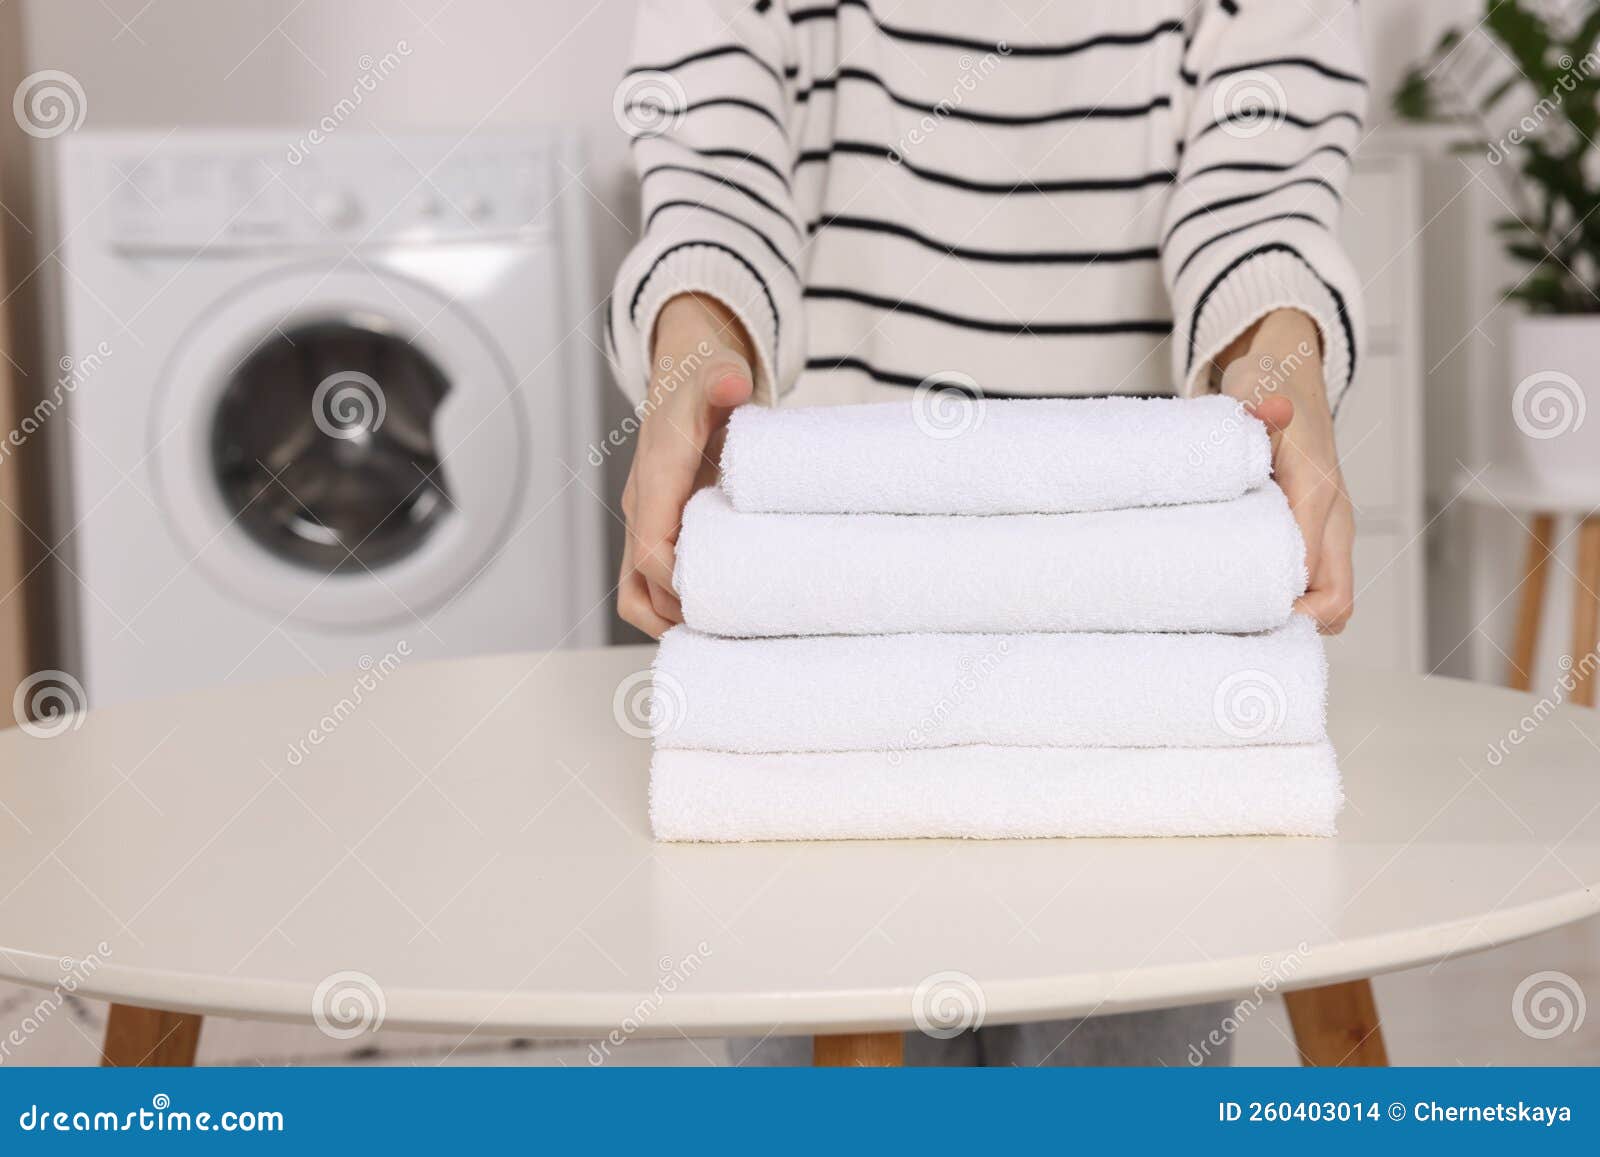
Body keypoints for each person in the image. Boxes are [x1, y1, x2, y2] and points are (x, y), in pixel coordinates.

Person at [605, 0, 1365, 1065]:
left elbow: (1261, 188)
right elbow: (715, 163)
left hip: (1140, 649)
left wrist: (1281, 361)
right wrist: (695, 340)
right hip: (827, 636)